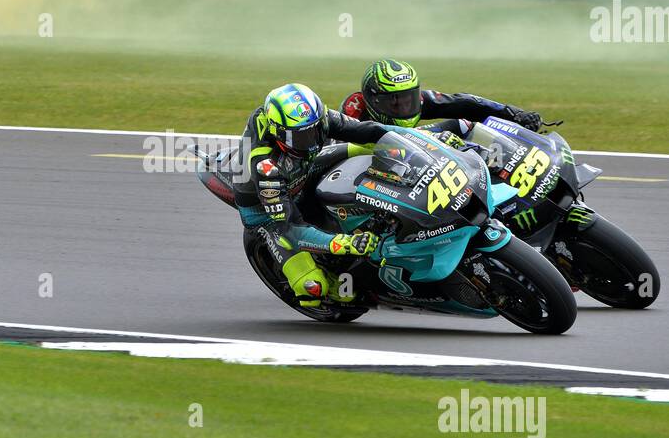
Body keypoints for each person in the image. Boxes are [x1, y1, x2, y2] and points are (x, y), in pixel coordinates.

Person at [234, 83, 397, 308]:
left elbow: (368, 130)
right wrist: (342, 243)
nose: (311, 141)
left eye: (315, 131)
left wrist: (421, 139)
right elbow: (290, 228)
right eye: (301, 138)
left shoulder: (314, 119)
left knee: (368, 148)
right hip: (265, 211)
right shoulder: (266, 167)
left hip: (301, 170)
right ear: (279, 133)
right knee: (313, 290)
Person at [339, 59, 549, 138]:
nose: (403, 106)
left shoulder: (420, 101)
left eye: (407, 99)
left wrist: (514, 114)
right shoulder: (352, 113)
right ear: (373, 100)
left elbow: (465, 103)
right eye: (394, 102)